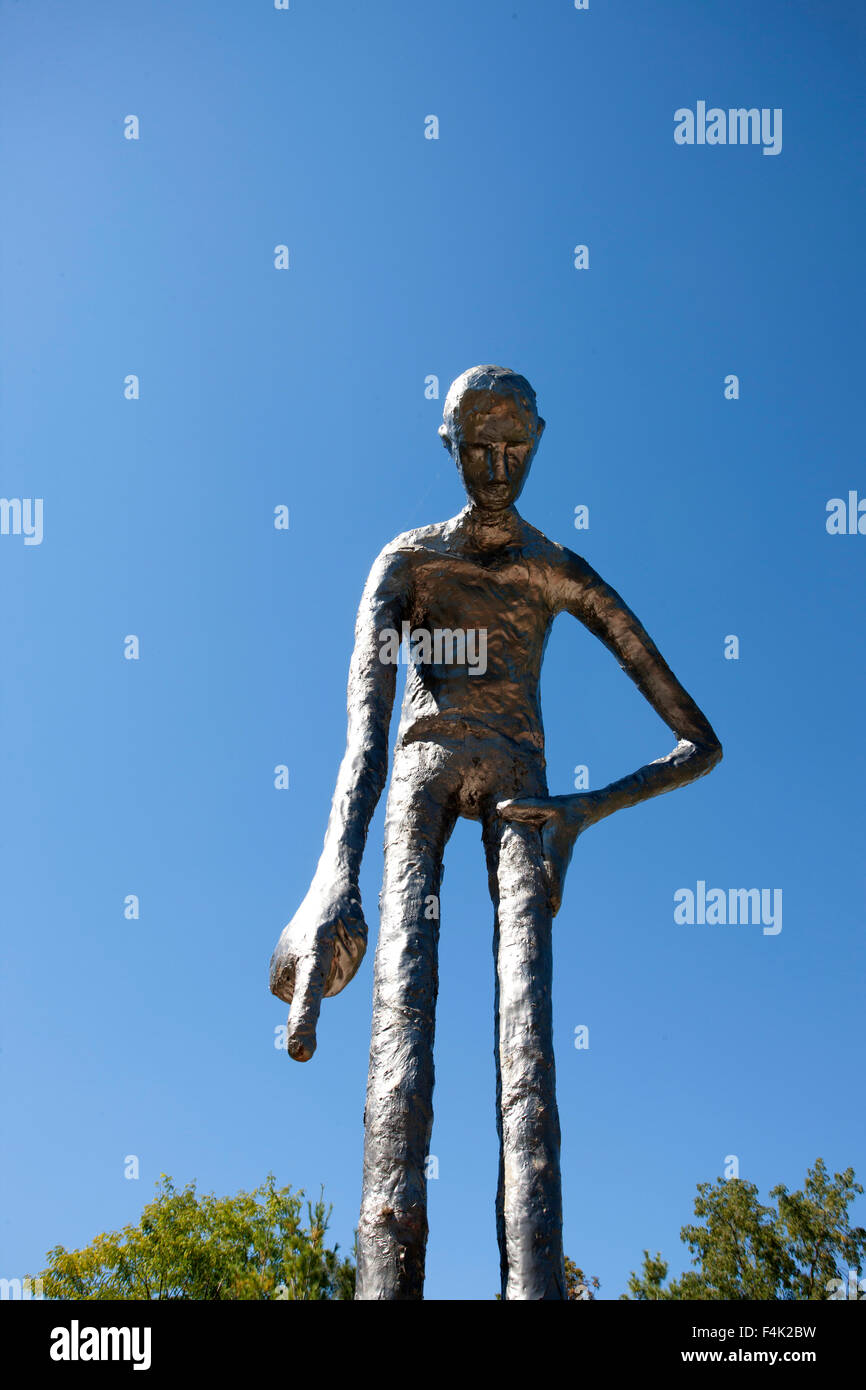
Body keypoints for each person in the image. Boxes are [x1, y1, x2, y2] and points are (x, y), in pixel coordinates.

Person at [269, 364, 723, 1299]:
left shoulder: (557, 570)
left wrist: (584, 813)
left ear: (541, 442)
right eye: (477, 445)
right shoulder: (406, 566)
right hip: (425, 777)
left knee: (531, 1052)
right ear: (448, 445)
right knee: (401, 1031)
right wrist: (333, 874)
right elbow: (366, 745)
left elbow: (697, 741)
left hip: (524, 791)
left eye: (515, 445)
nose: (496, 464)